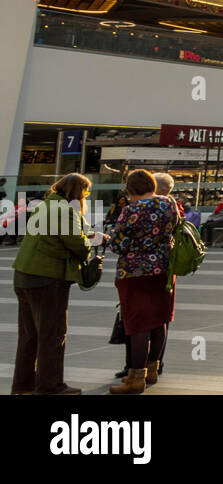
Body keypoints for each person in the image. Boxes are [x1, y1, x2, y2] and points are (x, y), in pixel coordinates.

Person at [11, 173, 96, 395]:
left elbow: (55, 236)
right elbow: (78, 245)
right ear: (78, 192)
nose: (86, 196)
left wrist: (87, 235)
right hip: (47, 279)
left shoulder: (45, 206)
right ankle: (50, 386)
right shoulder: (66, 210)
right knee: (52, 335)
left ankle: (24, 385)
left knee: (29, 336)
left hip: (24, 275)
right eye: (85, 192)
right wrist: (91, 241)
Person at [108, 169, 180, 394]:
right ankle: (152, 371)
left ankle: (135, 378)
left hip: (135, 272)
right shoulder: (169, 204)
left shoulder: (132, 210)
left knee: (138, 324)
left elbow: (117, 245)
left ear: (131, 190)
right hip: (164, 270)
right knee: (159, 320)